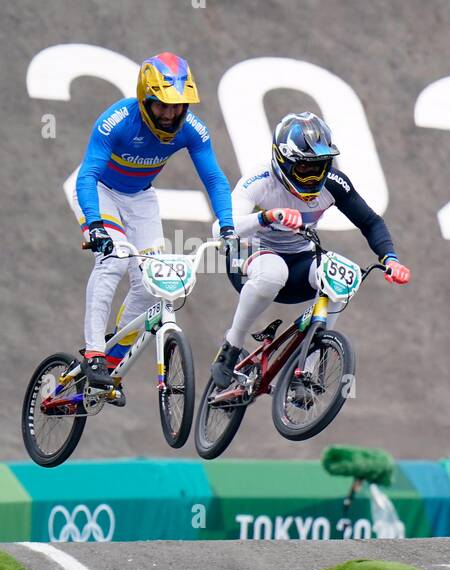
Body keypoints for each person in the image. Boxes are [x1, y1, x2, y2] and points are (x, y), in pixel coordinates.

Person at [210, 112, 410, 387]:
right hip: (249, 257)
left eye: (321, 166)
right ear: (284, 160)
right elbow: (220, 229)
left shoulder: (334, 183)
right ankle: (231, 345)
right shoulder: (259, 181)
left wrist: (391, 258)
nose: (313, 175)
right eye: (304, 168)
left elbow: (370, 221)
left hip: (299, 261)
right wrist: (266, 217)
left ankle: (306, 371)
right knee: (272, 272)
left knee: (345, 276)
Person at [73, 53, 234, 391]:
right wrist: (95, 225)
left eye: (178, 107)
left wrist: (228, 226)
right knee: (113, 262)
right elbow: (87, 175)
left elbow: (215, 180)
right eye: (162, 106)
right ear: (145, 98)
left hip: (141, 198)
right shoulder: (115, 121)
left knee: (152, 282)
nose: (171, 114)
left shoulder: (192, 130)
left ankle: (115, 354)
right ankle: (93, 352)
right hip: (100, 191)